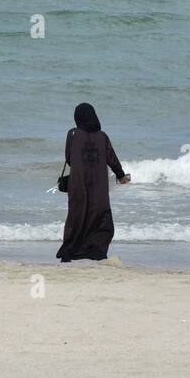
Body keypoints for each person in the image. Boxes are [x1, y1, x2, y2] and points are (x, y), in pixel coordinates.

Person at [57, 102, 129, 261]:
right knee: (101, 216)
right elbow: (112, 159)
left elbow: (69, 159)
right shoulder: (102, 136)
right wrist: (121, 175)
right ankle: (95, 250)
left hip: (78, 183)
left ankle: (69, 252)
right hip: (99, 184)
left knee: (76, 215)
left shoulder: (73, 134)